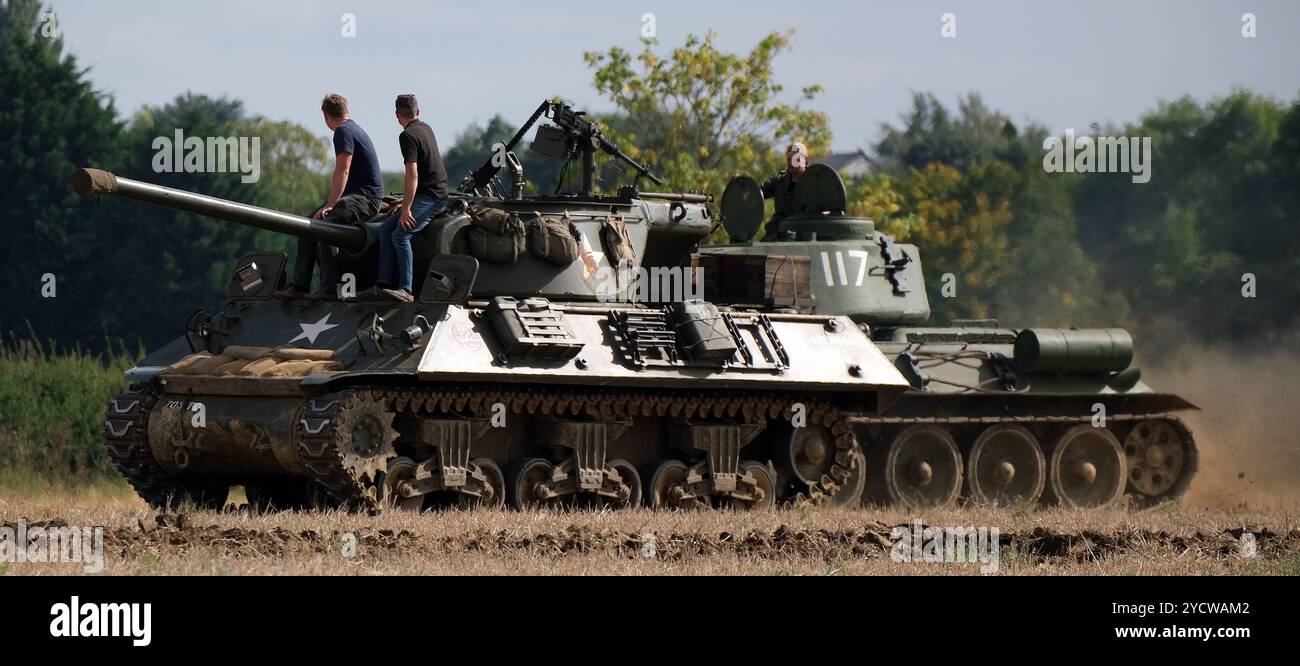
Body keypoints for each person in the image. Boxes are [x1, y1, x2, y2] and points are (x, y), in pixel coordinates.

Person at [273, 94, 383, 300]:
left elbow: (343, 170)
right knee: (306, 226)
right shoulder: (353, 128)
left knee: (326, 228)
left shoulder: (343, 131)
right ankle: (300, 286)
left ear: (325, 116)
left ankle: (330, 288)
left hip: (365, 198)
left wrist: (331, 205)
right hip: (355, 195)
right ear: (346, 111)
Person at [374, 94, 448, 302]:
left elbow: (413, 175)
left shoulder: (407, 136)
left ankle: (406, 289)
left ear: (397, 116)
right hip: (431, 191)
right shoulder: (426, 127)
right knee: (385, 229)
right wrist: (406, 201)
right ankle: (383, 284)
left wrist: (406, 209)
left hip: (433, 196)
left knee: (400, 235)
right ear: (418, 111)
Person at [758, 142, 809, 239]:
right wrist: (740, 183)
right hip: (776, 232)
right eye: (789, 160)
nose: (792, 164)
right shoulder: (780, 180)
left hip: (803, 233)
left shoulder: (814, 181)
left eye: (796, 160)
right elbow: (757, 192)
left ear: (805, 160)